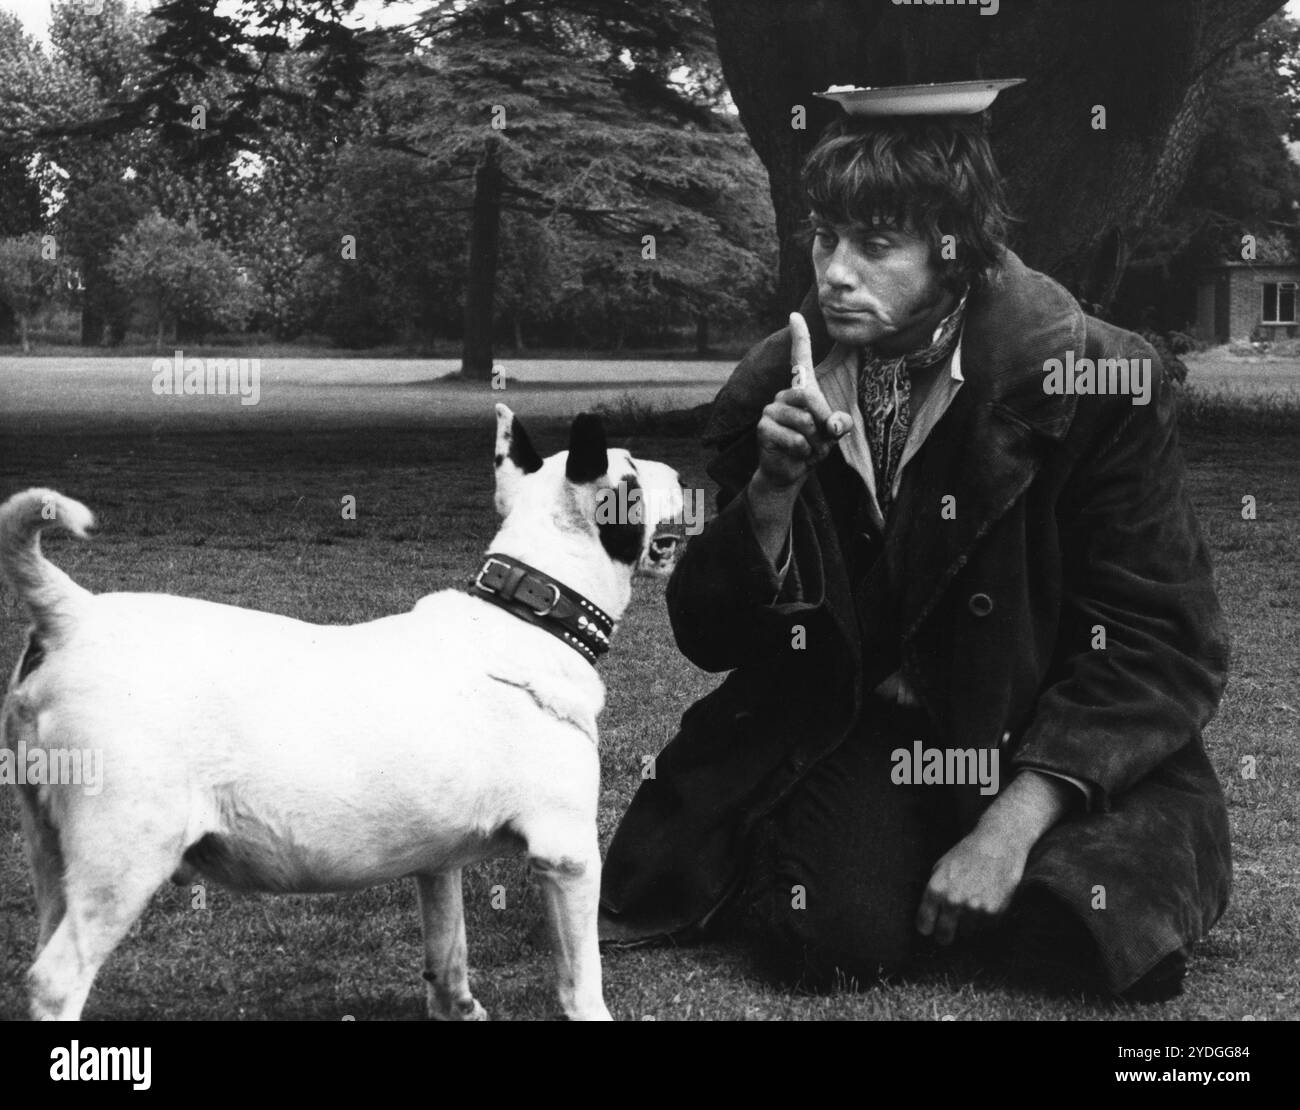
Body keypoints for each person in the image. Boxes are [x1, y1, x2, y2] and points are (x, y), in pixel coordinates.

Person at [597, 103, 1232, 1003]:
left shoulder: (1098, 382)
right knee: (828, 940)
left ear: (953, 248)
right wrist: (771, 492)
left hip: (1048, 734)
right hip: (877, 730)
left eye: (876, 244)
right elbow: (708, 633)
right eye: (824, 239)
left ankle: (1036, 868)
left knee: (1080, 937)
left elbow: (1163, 639)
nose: (836, 274)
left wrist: (1008, 829)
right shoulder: (779, 383)